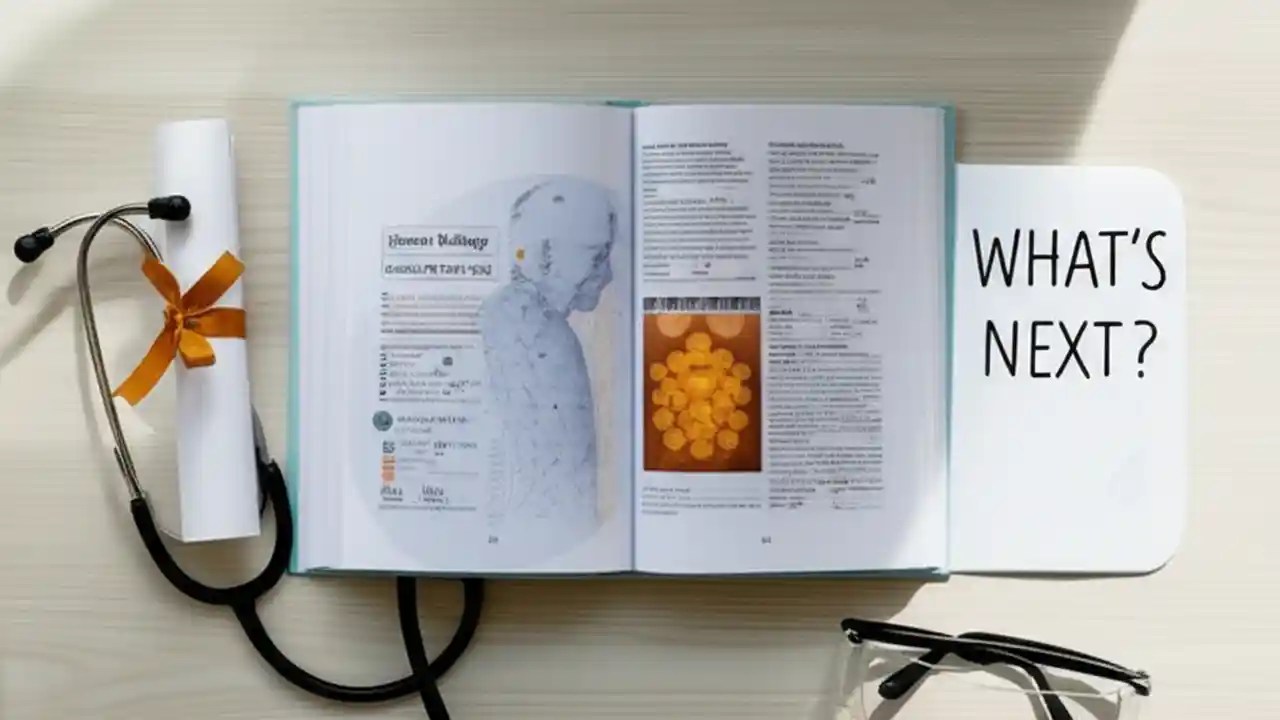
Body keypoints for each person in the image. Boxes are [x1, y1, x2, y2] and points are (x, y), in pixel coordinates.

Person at [478, 177, 616, 543]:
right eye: (596, 256)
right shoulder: (536, 331)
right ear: (544, 256)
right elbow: (562, 495)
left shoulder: (510, 316)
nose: (608, 275)